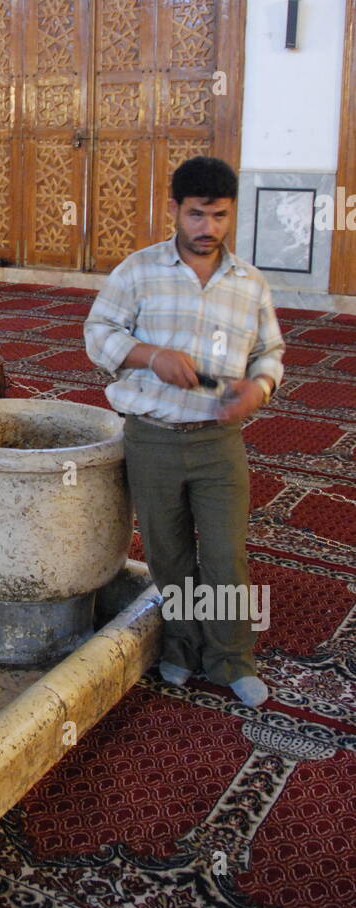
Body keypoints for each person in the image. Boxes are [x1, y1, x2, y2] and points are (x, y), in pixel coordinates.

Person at [83, 156, 285, 707]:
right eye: (196, 215)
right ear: (173, 209)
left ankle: (230, 657)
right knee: (169, 557)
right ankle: (181, 646)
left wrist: (259, 389)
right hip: (151, 438)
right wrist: (150, 356)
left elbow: (270, 352)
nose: (208, 229)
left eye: (219, 216)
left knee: (224, 556)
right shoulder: (138, 271)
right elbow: (98, 333)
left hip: (219, 444)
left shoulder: (249, 284)